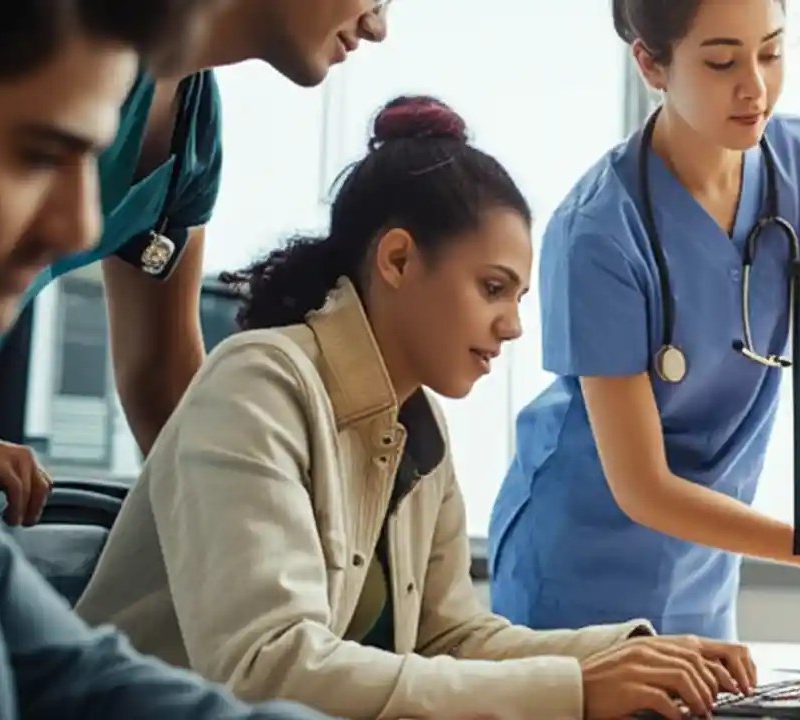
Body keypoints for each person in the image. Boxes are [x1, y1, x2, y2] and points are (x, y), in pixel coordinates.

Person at [76, 95, 760, 720]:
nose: (513, 327)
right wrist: (576, 692)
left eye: (518, 298)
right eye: (493, 287)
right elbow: (265, 667)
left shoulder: (416, 427)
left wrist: (633, 656)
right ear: (398, 260)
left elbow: (449, 637)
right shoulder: (257, 386)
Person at [488, 0, 800, 641]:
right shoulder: (598, 231)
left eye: (770, 52)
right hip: (578, 568)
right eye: (721, 61)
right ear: (651, 64)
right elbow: (643, 487)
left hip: (703, 568)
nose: (755, 88)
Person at [0, 1, 342, 717]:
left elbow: (73, 677)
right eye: (39, 155)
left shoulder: (191, 124)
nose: (81, 227)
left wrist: (247, 516)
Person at [0, 0, 390, 526]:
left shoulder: (194, 131)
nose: (378, 25)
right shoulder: (68, 29)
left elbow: (161, 375)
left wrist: (263, 517)